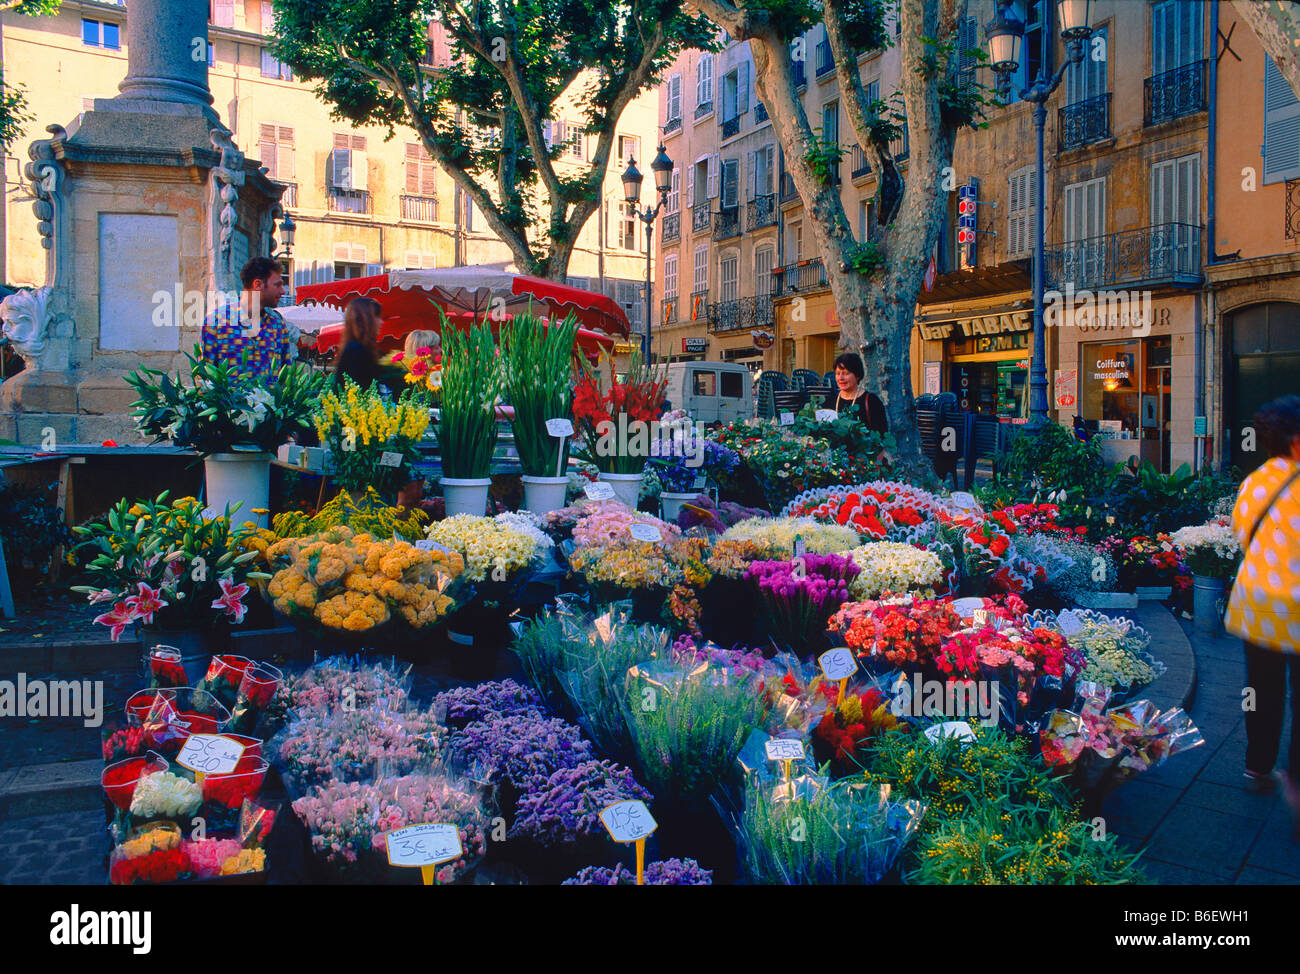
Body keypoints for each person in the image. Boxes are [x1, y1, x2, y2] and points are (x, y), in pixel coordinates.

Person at [1225, 394, 1300, 828]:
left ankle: (1257, 766)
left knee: (1261, 690)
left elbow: (1240, 534)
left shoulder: (1253, 483)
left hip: (1256, 607)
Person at [201, 257, 291, 382]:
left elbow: (286, 378)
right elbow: (204, 379)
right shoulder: (216, 323)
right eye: (277, 285)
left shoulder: (278, 327)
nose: (282, 291)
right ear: (258, 284)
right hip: (230, 401)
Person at [333, 297, 402, 394]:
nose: (381, 322)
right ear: (365, 320)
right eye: (377, 317)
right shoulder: (356, 351)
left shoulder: (354, 348)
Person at [832, 352, 888, 435]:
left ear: (857, 375)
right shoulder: (830, 401)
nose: (841, 378)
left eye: (846, 373)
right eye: (838, 373)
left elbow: (881, 435)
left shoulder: (871, 401)